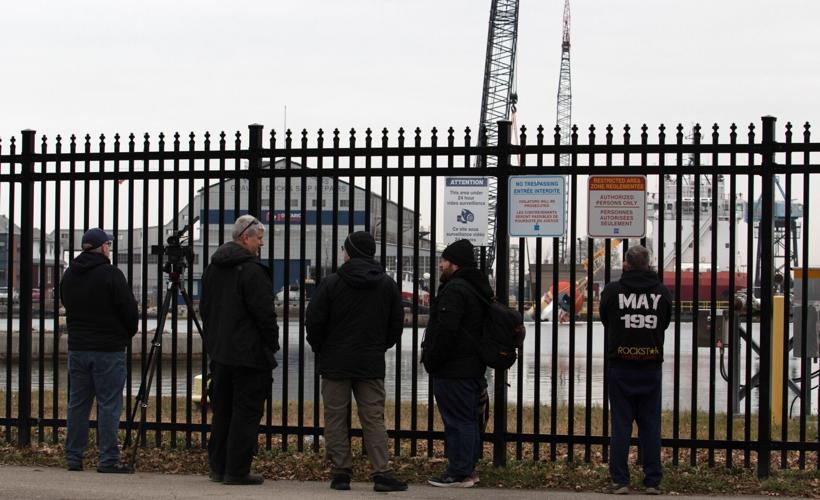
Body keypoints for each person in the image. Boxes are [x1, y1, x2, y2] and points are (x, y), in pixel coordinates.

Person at [306, 231, 408, 492]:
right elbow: (396, 324)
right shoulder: (386, 284)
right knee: (373, 418)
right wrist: (379, 346)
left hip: (335, 362)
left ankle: (341, 472)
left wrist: (323, 349)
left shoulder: (331, 283)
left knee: (335, 417)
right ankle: (381, 472)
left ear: (348, 252)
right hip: (370, 362)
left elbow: (314, 321)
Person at [200, 215, 279, 485]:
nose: (261, 244)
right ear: (246, 237)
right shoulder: (252, 271)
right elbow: (265, 314)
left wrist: (214, 342)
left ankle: (218, 466)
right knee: (246, 412)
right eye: (259, 238)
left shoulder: (213, 269)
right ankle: (236, 470)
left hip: (221, 353)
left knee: (222, 410)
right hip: (249, 355)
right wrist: (272, 343)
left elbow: (206, 309)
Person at [61, 227, 139, 473]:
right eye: (109, 245)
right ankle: (108, 459)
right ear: (103, 247)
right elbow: (128, 310)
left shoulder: (69, 275)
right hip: (108, 349)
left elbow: (66, 303)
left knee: (78, 404)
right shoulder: (111, 275)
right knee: (109, 404)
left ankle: (74, 456)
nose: (110, 249)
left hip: (78, 347)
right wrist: (125, 334)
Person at [599, 245, 672, 495]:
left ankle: (620, 480)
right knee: (650, 425)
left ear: (626, 265)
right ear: (648, 263)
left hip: (620, 365)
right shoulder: (662, 293)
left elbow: (605, 318)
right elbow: (664, 323)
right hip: (651, 366)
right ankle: (652, 481)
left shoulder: (612, 291)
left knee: (621, 425)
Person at [421, 239, 492, 488]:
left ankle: (459, 472)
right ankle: (468, 469)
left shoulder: (455, 290)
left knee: (457, 421)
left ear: (454, 263)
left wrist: (432, 358)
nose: (440, 265)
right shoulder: (478, 287)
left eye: (444, 260)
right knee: (469, 419)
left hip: (454, 368)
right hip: (472, 365)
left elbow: (446, 330)